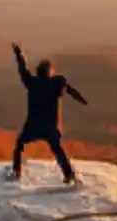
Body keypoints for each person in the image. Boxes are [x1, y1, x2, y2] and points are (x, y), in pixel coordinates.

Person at [8, 42, 88, 184]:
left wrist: (20, 55)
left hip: (33, 124)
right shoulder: (57, 83)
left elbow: (23, 70)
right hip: (50, 125)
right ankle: (69, 174)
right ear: (50, 72)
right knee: (57, 149)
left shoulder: (32, 82)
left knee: (20, 143)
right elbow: (70, 90)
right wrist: (82, 100)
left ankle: (16, 171)